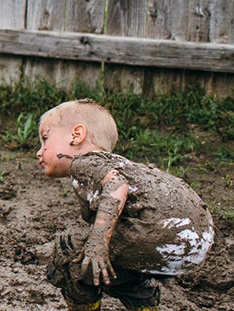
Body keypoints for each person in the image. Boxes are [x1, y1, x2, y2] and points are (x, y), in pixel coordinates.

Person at [35, 99, 214, 311]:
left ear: (77, 135)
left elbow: (117, 185)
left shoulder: (85, 162)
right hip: (197, 238)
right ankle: (144, 305)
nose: (39, 151)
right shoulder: (125, 165)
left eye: (45, 139)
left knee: (70, 252)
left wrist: (97, 243)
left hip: (160, 233)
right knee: (116, 265)